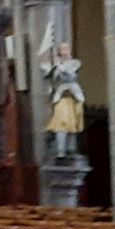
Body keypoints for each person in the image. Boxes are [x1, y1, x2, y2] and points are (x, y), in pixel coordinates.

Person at [38, 28, 85, 159]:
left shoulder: (74, 63)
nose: (65, 51)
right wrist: (54, 65)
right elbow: (49, 75)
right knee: (61, 123)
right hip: (61, 97)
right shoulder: (56, 65)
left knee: (73, 124)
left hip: (73, 96)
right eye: (63, 49)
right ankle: (60, 150)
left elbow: (69, 73)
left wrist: (59, 65)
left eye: (67, 49)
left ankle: (71, 149)